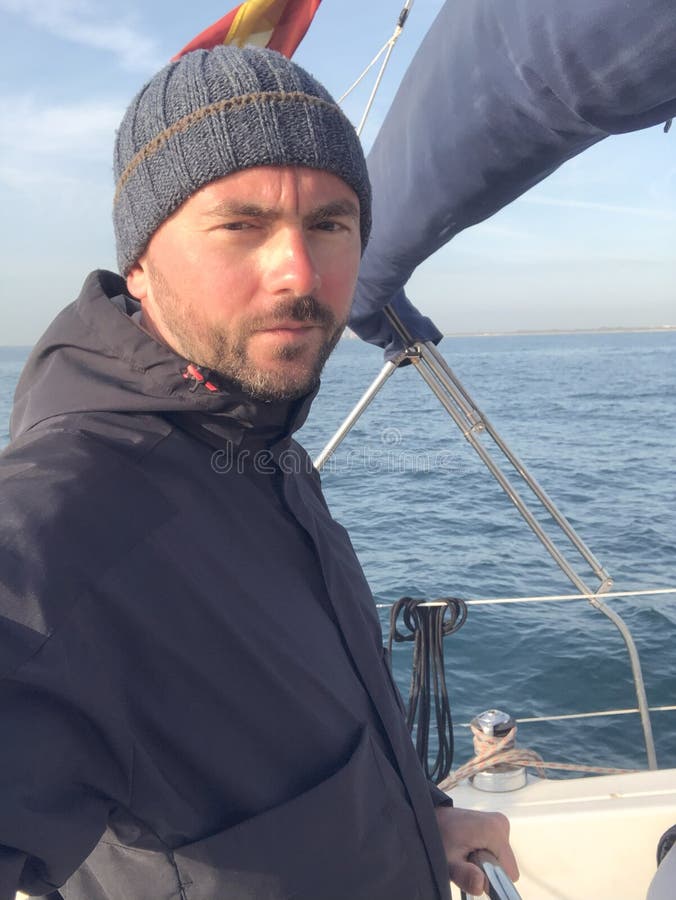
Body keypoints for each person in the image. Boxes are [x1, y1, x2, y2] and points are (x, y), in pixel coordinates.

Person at [0, 46, 517, 900]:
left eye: (331, 223)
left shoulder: (258, 452)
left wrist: (415, 821)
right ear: (140, 261)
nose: (300, 273)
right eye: (240, 224)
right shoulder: (58, 526)